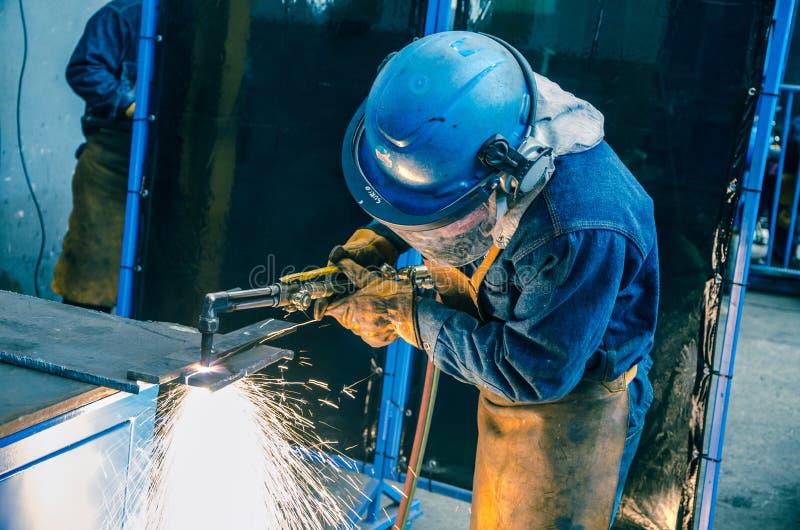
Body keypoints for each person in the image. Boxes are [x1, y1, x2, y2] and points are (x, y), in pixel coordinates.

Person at [318, 31, 659, 529]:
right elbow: (431, 198)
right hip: (514, 389)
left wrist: (402, 314)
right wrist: (380, 241)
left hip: (570, 413)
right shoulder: (467, 120)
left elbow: (531, 372)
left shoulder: (577, 229)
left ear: (502, 184)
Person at [51, 0, 142, 312]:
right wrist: (131, 105)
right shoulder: (122, 14)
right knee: (91, 282)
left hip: (165, 170)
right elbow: (84, 68)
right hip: (110, 168)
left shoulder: (203, 23)